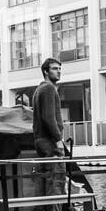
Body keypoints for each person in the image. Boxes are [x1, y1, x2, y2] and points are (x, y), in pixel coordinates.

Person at [32, 57, 65, 197]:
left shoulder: (39, 89)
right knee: (56, 180)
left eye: (59, 69)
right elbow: (48, 117)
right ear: (46, 71)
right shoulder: (49, 88)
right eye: (54, 69)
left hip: (40, 141)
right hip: (50, 142)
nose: (59, 72)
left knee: (44, 179)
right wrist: (58, 139)